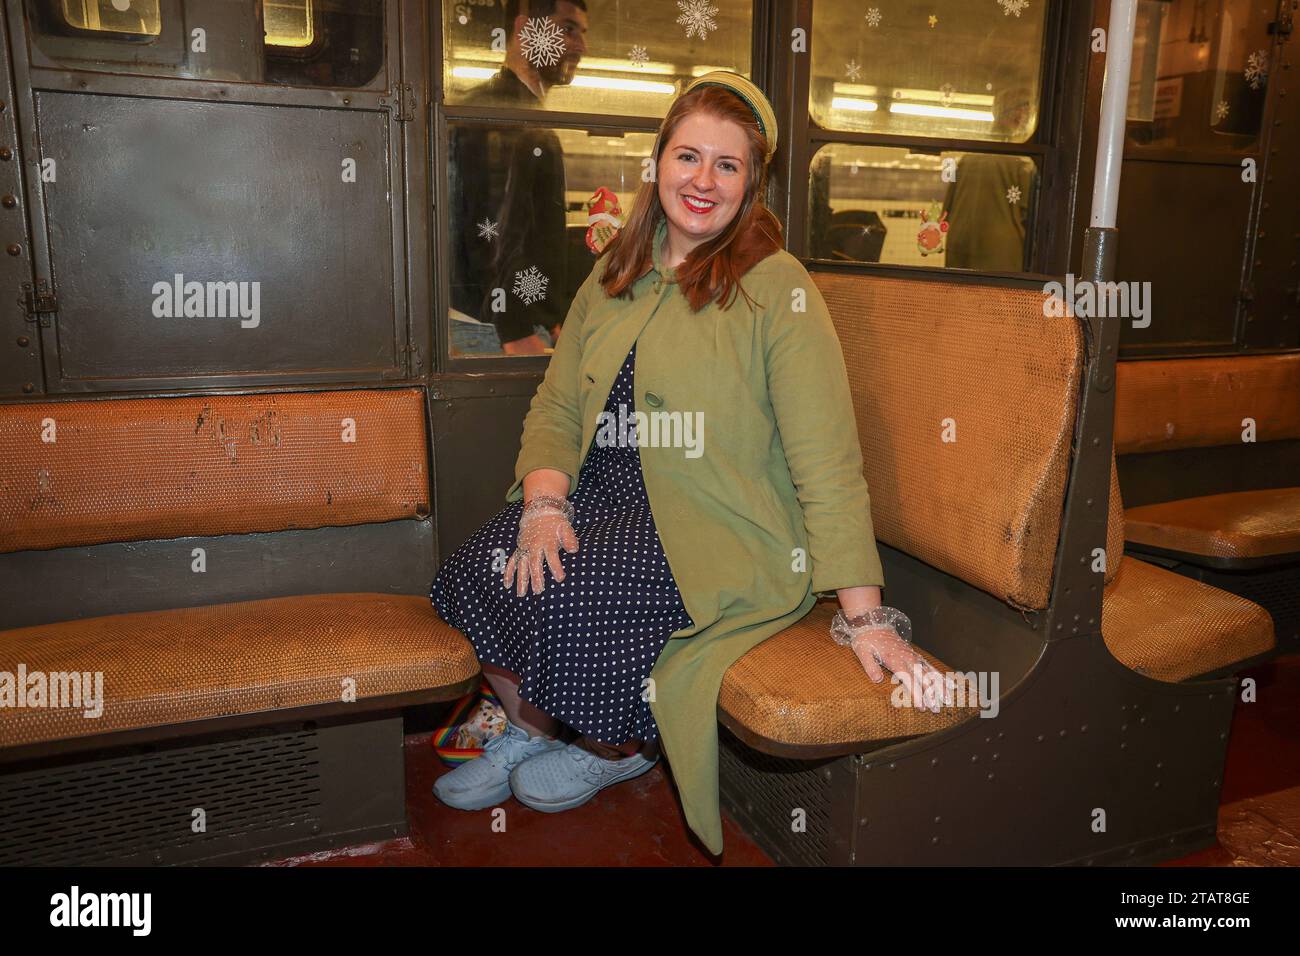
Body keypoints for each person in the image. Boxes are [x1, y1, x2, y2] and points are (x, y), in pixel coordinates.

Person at [430, 71, 944, 856]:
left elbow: (828, 459)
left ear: (752, 183)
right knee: (478, 570)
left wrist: (865, 614)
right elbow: (558, 409)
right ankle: (532, 728)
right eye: (687, 156)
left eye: (727, 165)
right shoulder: (611, 279)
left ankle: (615, 749)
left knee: (577, 597)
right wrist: (542, 503)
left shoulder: (778, 291)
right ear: (658, 163)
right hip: (603, 498)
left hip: (721, 528)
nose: (702, 181)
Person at [448, 0, 589, 355]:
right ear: (526, 28)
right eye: (567, 28)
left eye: (582, 33)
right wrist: (516, 327)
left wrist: (550, 313)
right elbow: (491, 229)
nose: (580, 45)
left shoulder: (519, 111)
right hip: (498, 331)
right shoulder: (500, 115)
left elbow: (530, 232)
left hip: (512, 323)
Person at [941, 86, 1038, 272]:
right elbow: (1031, 217)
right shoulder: (1021, 162)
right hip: (1000, 259)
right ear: (1017, 115)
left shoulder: (966, 159)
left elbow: (948, 211)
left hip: (960, 252)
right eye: (1026, 111)